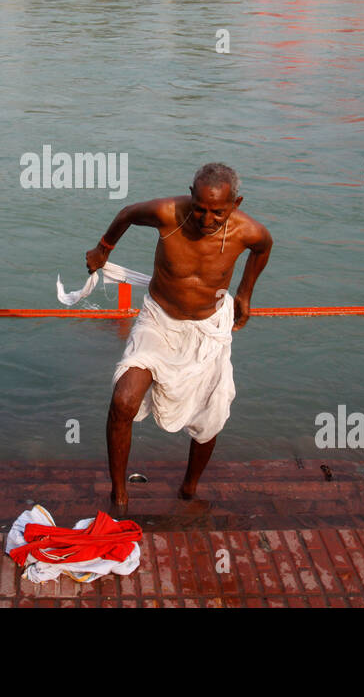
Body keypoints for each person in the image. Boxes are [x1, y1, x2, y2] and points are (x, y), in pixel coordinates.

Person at [86, 163, 273, 511]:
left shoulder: (248, 231)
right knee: (123, 399)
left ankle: (189, 488)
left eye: (217, 212)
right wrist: (103, 248)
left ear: (235, 203)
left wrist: (245, 294)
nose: (206, 219)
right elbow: (126, 213)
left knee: (212, 412)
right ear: (190, 197)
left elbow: (264, 248)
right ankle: (119, 495)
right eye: (200, 209)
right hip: (159, 321)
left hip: (207, 329)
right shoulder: (167, 214)